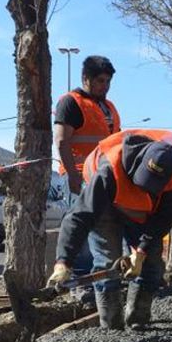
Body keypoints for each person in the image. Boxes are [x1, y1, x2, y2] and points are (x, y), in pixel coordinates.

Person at [47, 129, 172, 329]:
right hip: (106, 203)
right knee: (107, 262)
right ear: (139, 163)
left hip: (144, 213)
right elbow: (79, 217)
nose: (143, 189)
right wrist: (63, 262)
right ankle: (111, 326)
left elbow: (166, 217)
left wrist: (141, 250)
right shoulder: (108, 170)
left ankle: (138, 320)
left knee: (152, 263)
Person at [54, 55, 121, 302]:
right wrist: (72, 175)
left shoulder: (109, 107)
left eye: (108, 81)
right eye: (101, 81)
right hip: (80, 177)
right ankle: (79, 282)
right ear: (86, 79)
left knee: (102, 230)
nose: (105, 86)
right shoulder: (71, 103)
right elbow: (62, 141)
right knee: (81, 227)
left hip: (103, 178)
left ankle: (99, 281)